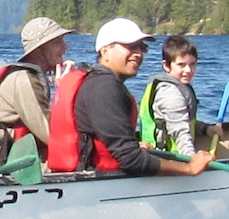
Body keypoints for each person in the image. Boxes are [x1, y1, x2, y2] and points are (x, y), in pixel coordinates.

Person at [44, 19, 216, 178]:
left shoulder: (99, 82)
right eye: (130, 46)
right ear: (105, 52)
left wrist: (134, 145)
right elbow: (130, 160)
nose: (138, 53)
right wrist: (189, 168)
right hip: (95, 182)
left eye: (141, 47)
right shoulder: (104, 88)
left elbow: (119, 146)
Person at [0, 16, 69, 172]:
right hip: (6, 166)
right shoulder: (24, 81)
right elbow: (50, 135)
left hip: (14, 160)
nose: (65, 48)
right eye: (57, 42)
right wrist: (64, 90)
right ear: (39, 48)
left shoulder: (27, 77)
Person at [137, 33, 209, 159]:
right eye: (181, 65)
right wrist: (191, 160)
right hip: (166, 159)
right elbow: (180, 131)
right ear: (166, 65)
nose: (188, 70)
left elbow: (181, 120)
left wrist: (205, 128)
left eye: (192, 64)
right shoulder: (170, 94)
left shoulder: (177, 86)